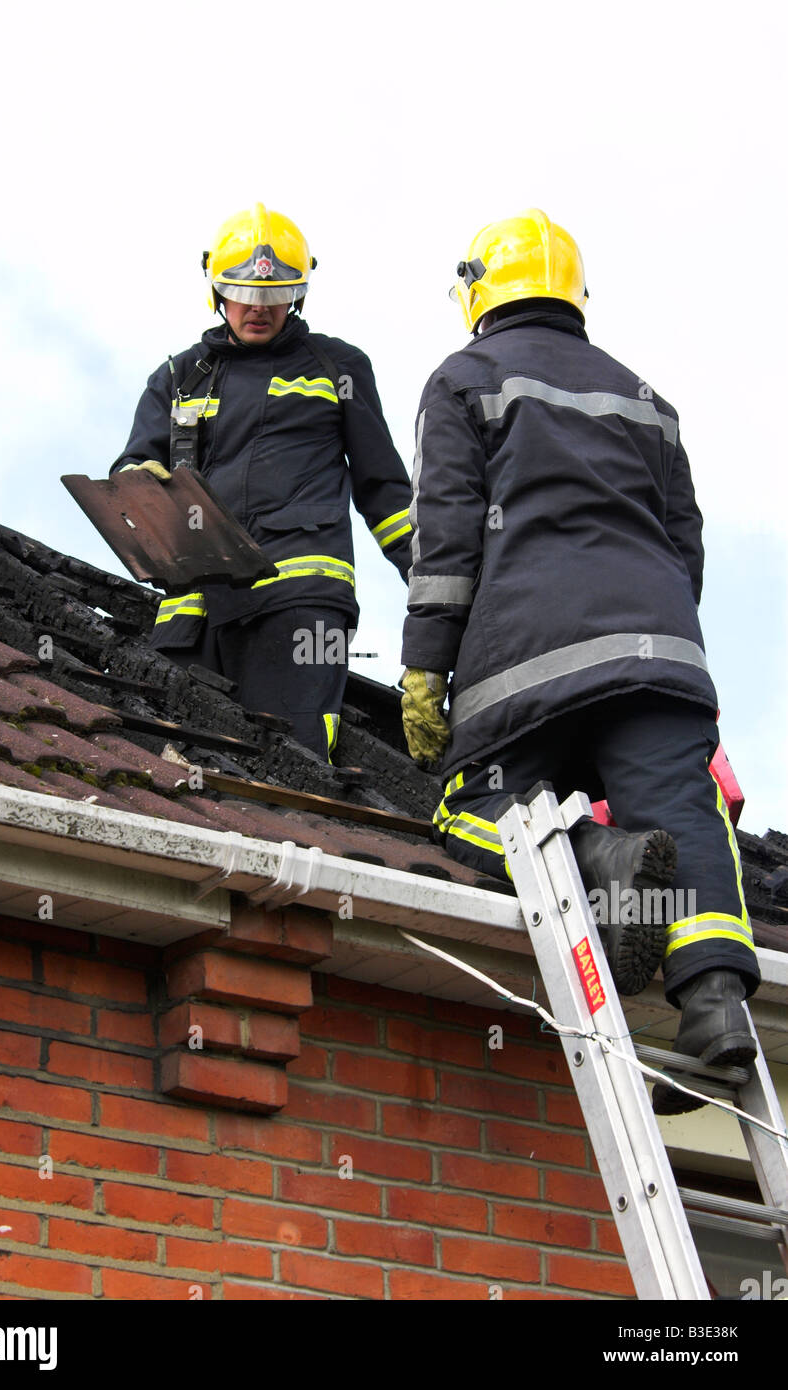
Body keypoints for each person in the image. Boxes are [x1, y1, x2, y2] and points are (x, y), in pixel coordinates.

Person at [399, 209, 759, 1113]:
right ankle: (715, 1012)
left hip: (527, 660)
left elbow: (446, 539)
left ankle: (598, 854)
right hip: (660, 650)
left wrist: (424, 668)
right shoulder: (646, 396)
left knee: (475, 806)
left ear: (480, 290)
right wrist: (652, 641)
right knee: (685, 807)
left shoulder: (464, 379)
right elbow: (687, 544)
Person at [112, 203, 412, 761]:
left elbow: (385, 490)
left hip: (299, 603)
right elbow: (132, 470)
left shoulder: (336, 367)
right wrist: (139, 486)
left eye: (274, 296)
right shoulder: (177, 377)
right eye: (242, 292)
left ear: (297, 294)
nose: (257, 307)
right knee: (169, 763)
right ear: (216, 290)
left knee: (292, 767)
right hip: (194, 608)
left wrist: (438, 590)